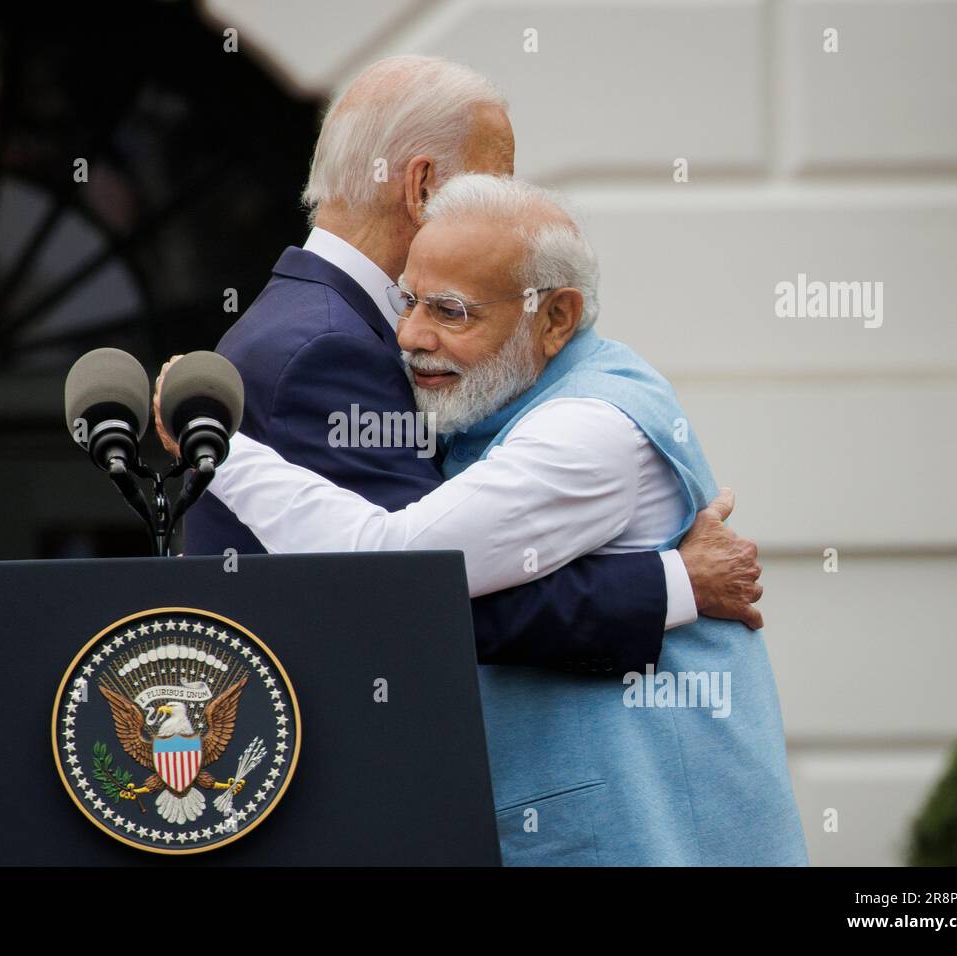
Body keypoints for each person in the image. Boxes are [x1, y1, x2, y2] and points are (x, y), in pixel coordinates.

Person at [161, 174, 807, 865]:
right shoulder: (507, 397)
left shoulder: (588, 433)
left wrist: (220, 450)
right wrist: (674, 580)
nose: (410, 336)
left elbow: (392, 564)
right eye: (407, 302)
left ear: (556, 318)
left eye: (452, 312)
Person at [179, 55, 765, 677]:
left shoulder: (319, 322)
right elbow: (419, 584)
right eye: (495, 181)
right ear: (424, 187)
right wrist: (675, 581)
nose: (415, 332)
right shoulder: (328, 347)